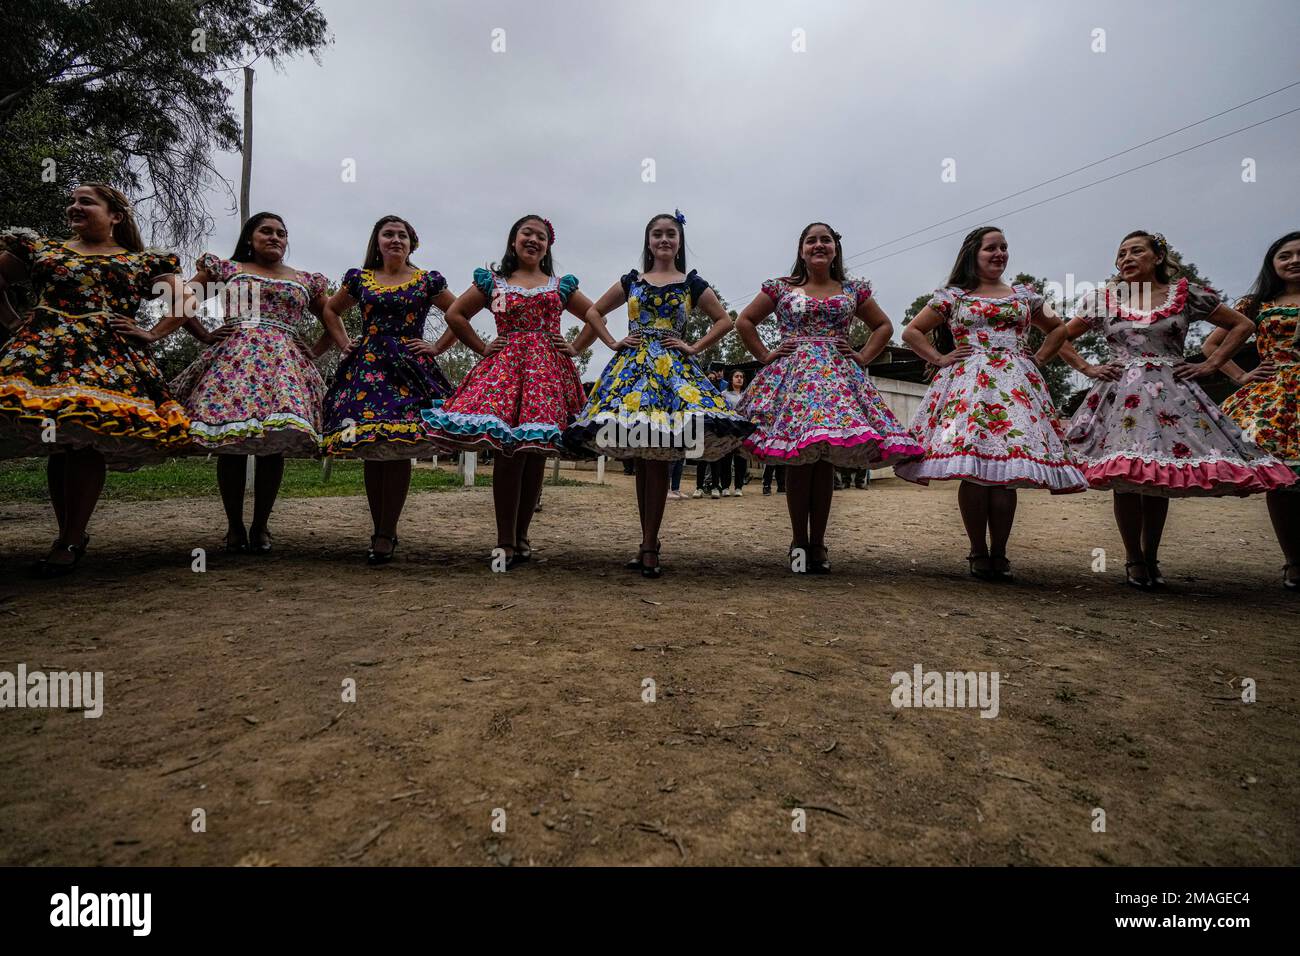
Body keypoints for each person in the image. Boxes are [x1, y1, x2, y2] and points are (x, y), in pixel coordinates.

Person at [1058, 230, 1295, 588]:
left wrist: (1211, 364)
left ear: (1158, 257)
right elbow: (1059, 336)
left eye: (1136, 251)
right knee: (1126, 478)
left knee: (1157, 475)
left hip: (1171, 394)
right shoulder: (1103, 299)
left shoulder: (1185, 294)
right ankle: (1133, 559)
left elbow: (1240, 325)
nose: (1126, 258)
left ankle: (1151, 556)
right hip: (1121, 397)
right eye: (1121, 253)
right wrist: (1088, 368)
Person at [0, 184, 192, 575]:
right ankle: (68, 532)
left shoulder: (140, 262)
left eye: (86, 201)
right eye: (72, 201)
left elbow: (184, 301)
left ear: (115, 216)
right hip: (43, 355)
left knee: (85, 437)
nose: (74, 207)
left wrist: (154, 333)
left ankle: (71, 537)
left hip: (106, 358)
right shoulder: (45, 250)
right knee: (61, 442)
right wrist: (12, 322)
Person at [565, 211, 752, 575]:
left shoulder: (691, 283)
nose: (664, 240)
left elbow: (725, 320)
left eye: (671, 234)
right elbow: (593, 311)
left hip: (673, 373)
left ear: (679, 242)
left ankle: (650, 544)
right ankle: (647, 542)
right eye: (657, 234)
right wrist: (613, 341)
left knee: (661, 454)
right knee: (643, 456)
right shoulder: (631, 280)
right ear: (647, 241)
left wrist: (694, 347)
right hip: (633, 371)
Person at [895, 226, 1087, 581]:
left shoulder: (1024, 295)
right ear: (973, 253)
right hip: (967, 386)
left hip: (1015, 387)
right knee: (975, 472)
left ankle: (999, 553)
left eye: (1004, 248)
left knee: (1004, 476)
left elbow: (1058, 329)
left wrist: (1039, 359)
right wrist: (939, 358)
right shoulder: (953, 296)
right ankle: (977, 551)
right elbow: (911, 332)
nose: (999, 254)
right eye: (991, 248)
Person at [420, 214, 609, 569]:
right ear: (513, 240)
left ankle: (523, 537)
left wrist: (576, 347)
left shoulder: (559, 285)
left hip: (546, 374)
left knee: (535, 452)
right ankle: (504, 539)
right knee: (508, 452)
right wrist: (481, 347)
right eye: (527, 233)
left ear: (548, 246)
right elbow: (456, 314)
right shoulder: (493, 282)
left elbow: (596, 315)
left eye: (541, 236)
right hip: (505, 372)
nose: (533, 240)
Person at [735, 222, 925, 572]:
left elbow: (884, 326)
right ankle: (798, 543)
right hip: (793, 380)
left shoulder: (853, 290)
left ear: (836, 249)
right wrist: (765, 355)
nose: (818, 245)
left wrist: (864, 356)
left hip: (838, 381)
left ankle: (818, 544)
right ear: (801, 249)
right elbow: (745, 321)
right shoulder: (780, 288)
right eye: (811, 240)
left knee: (823, 461)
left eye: (826, 240)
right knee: (799, 460)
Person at [163, 212, 346, 555]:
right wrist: (203, 334)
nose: (275, 237)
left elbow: (332, 315)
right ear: (250, 237)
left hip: (284, 366)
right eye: (266, 231)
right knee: (231, 442)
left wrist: (318, 350)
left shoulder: (305, 279)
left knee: (272, 445)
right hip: (235, 362)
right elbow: (180, 299)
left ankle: (261, 525)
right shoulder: (227, 269)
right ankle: (234, 526)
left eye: (281, 233)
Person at [317, 215, 459, 565]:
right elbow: (330, 310)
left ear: (412, 243)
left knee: (398, 447)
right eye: (388, 234)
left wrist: (437, 347)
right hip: (367, 369)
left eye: (402, 236)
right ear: (377, 242)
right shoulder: (360, 279)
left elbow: (459, 313)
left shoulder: (427, 280)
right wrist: (344, 343)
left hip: (409, 370)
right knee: (373, 446)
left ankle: (386, 533)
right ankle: (380, 527)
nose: (396, 240)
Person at [1203, 231, 1300, 590]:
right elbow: (1212, 342)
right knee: (1285, 481)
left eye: (1299, 254)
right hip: (1277, 398)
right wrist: (1240, 375)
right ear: (1272, 265)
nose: (1293, 261)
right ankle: (1294, 561)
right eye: (1284, 256)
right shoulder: (1257, 303)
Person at [715, 369, 750, 496]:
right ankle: (725, 487)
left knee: (741, 458)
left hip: (742, 429)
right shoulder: (724, 394)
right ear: (731, 379)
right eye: (736, 376)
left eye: (741, 376)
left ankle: (739, 487)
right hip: (728, 429)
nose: (739, 378)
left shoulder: (747, 395)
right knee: (726, 459)